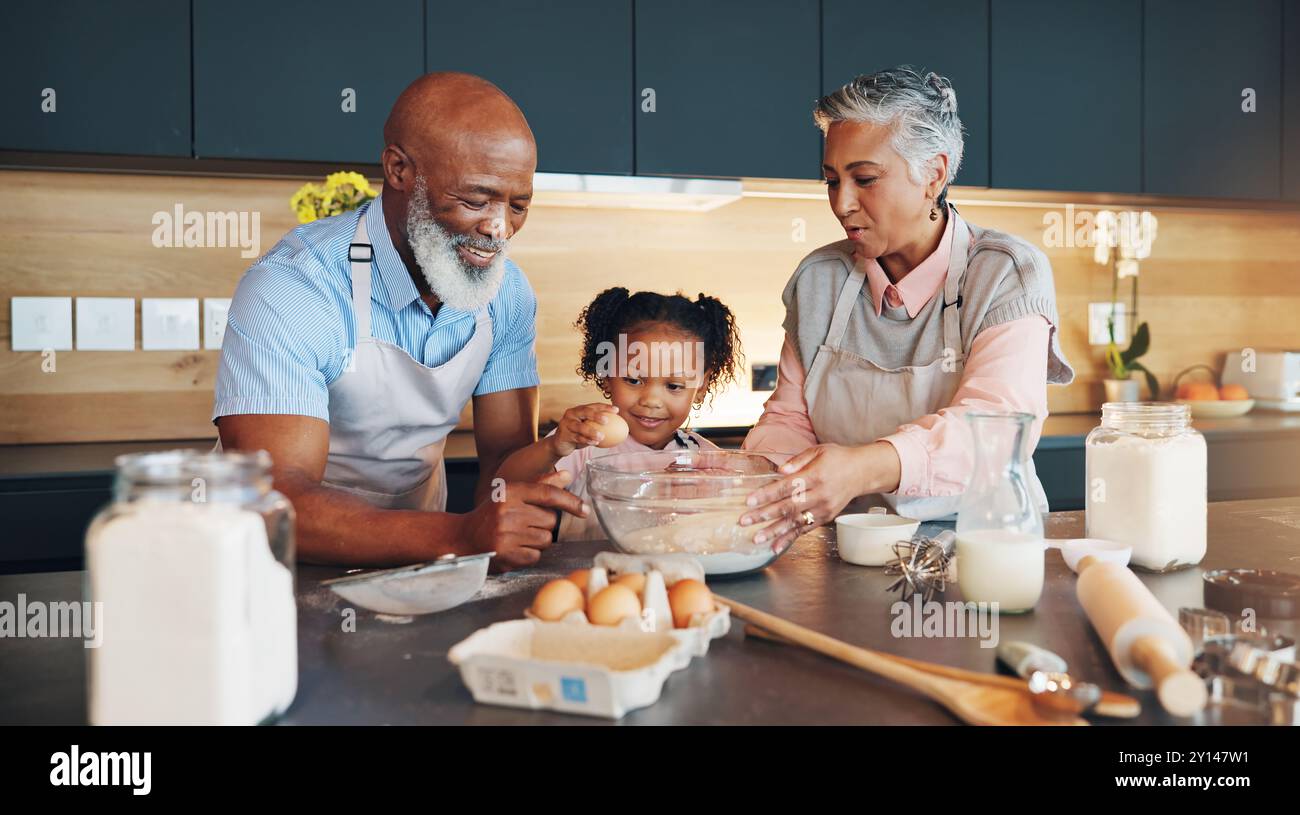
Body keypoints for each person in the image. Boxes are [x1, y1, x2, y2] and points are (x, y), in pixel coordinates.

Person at [213, 72, 586, 569]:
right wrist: (462, 534)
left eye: (518, 205)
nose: (499, 229)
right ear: (399, 170)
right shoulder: (295, 287)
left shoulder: (507, 294)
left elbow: (502, 468)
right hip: (267, 568)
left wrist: (547, 473)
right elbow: (275, 501)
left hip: (420, 561)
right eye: (476, 200)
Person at [740, 67, 1074, 551]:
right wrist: (762, 475)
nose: (842, 203)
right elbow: (790, 422)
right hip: (845, 557)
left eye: (865, 179)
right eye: (831, 180)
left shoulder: (1005, 273)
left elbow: (994, 432)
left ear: (933, 175)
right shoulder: (819, 280)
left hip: (983, 557)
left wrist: (860, 468)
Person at [495, 287, 743, 539]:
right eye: (634, 380)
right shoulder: (585, 445)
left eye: (673, 386)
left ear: (700, 386)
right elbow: (500, 489)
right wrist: (554, 447)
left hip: (675, 577)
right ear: (605, 374)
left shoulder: (709, 461)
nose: (652, 401)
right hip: (594, 577)